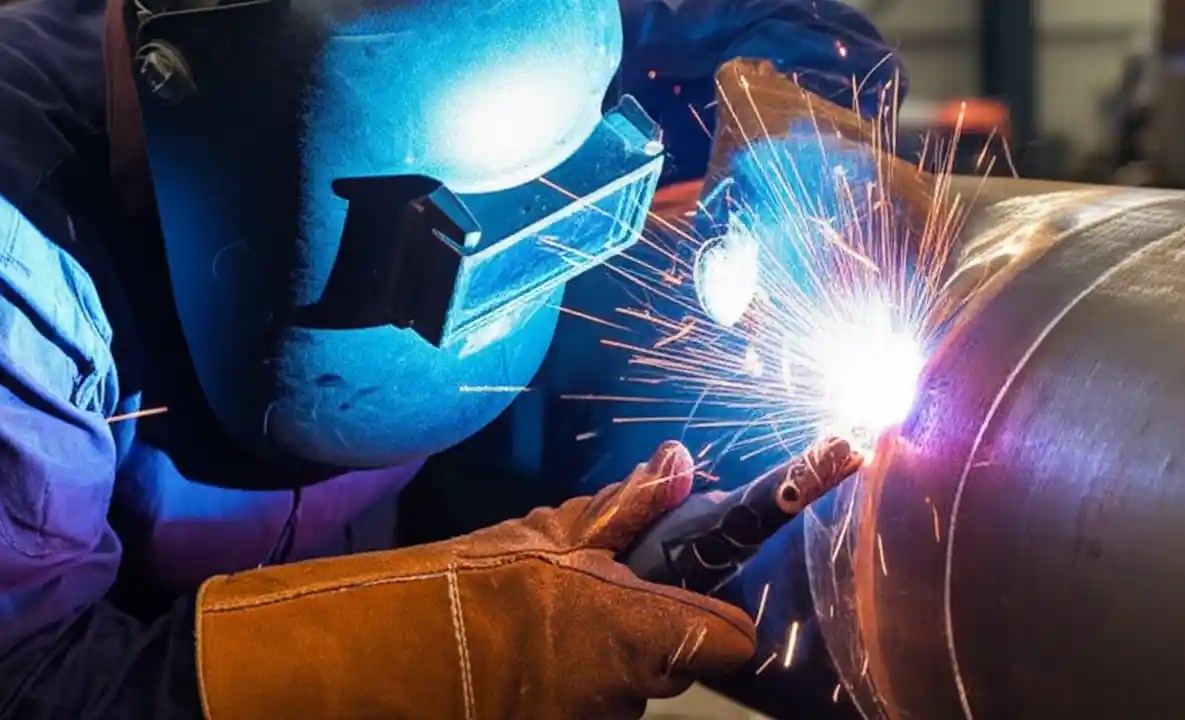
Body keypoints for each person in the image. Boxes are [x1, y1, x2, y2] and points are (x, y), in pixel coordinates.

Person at [0, 0, 897, 717]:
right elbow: (28, 681)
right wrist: (445, 649)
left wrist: (799, 153)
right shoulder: (23, 249)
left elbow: (787, 28)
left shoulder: (517, 14)